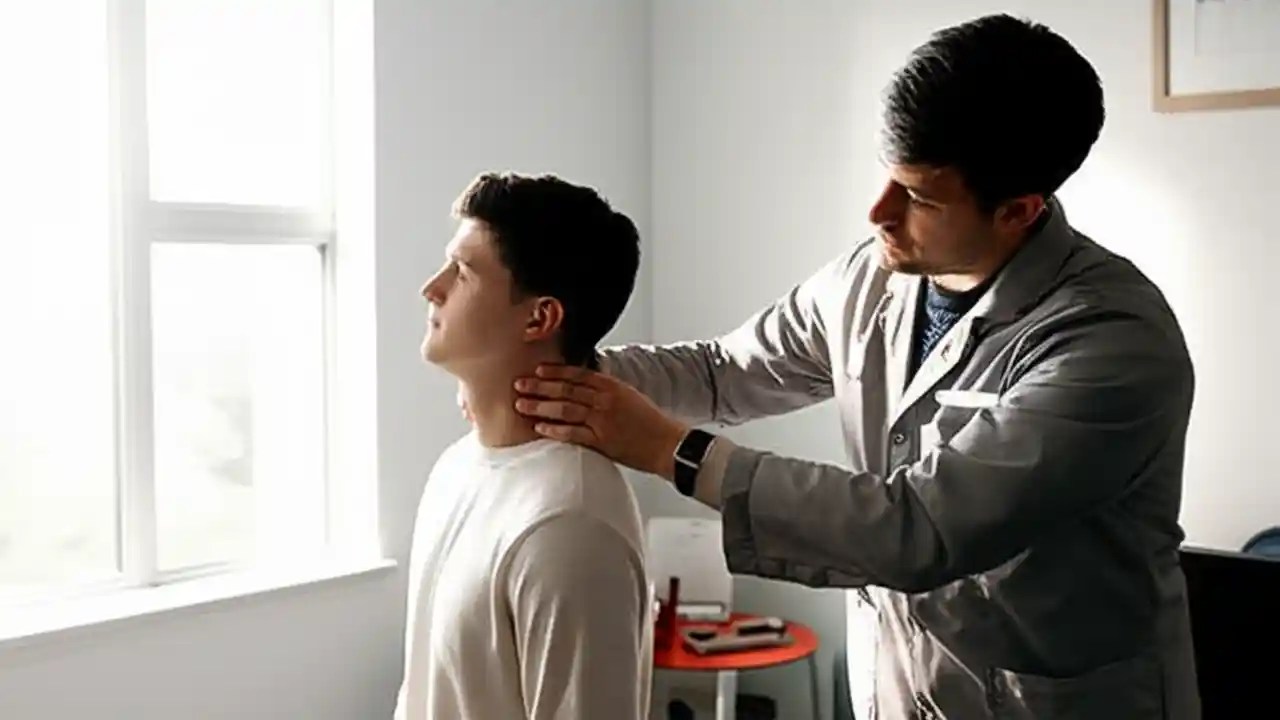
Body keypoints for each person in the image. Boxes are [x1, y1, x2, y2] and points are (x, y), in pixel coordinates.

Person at [512, 14, 1200, 720]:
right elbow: (724, 372)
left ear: (1018, 210)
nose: (878, 212)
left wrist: (672, 452)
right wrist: (559, 375)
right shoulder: (869, 281)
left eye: (919, 196)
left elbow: (921, 527)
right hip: (898, 693)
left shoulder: (1111, 341)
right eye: (886, 175)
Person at [395, 172, 651, 720]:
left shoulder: (571, 524)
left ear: (539, 317)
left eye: (463, 271)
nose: (432, 287)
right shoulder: (454, 468)